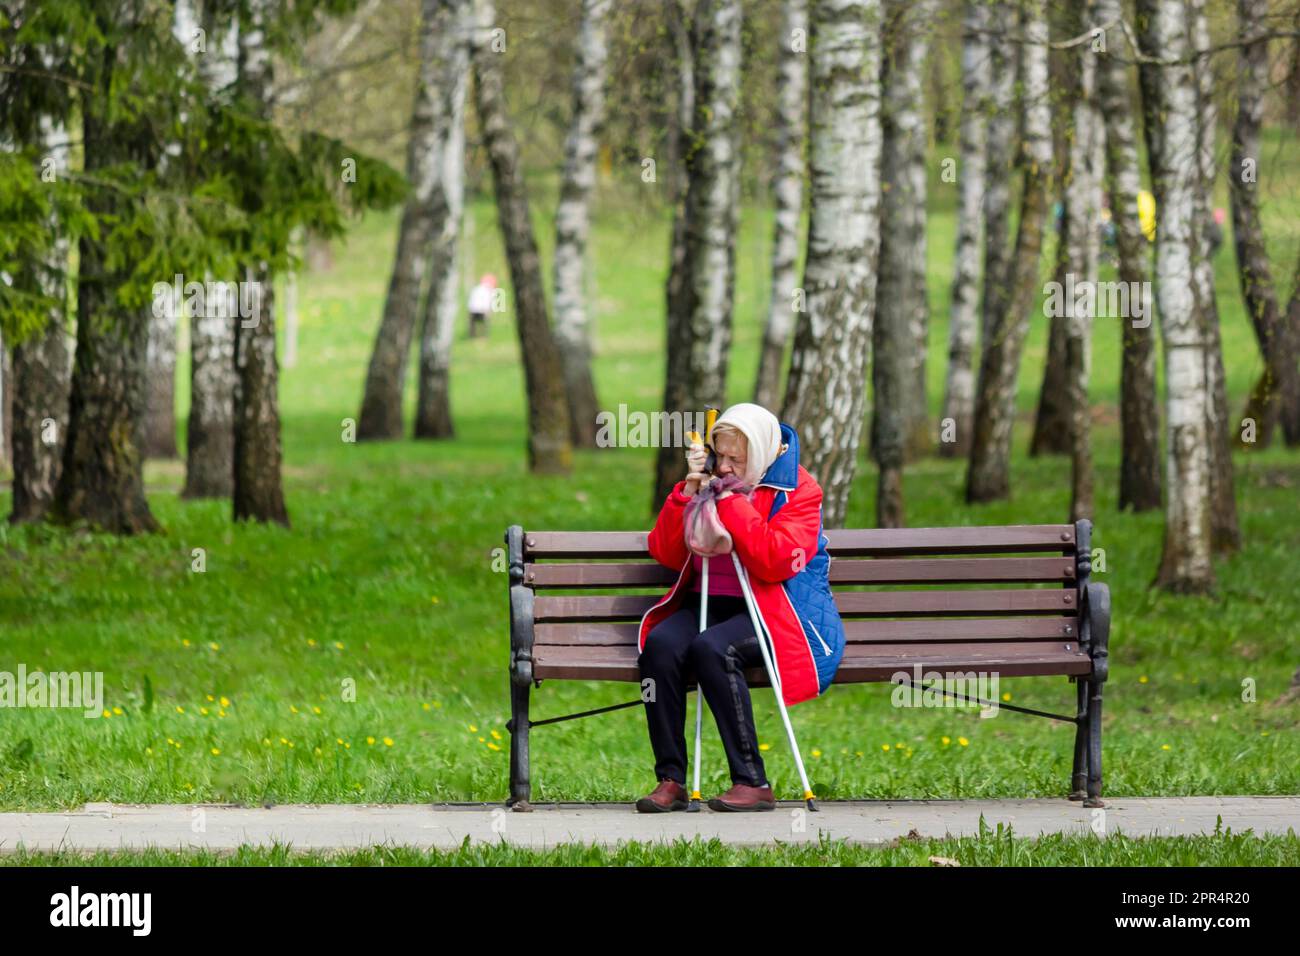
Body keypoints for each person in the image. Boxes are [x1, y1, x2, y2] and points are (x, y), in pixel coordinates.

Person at [635, 402, 845, 813]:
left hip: (776, 608)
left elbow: (775, 559)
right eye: (721, 457)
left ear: (763, 454)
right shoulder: (709, 484)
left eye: (737, 459)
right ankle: (671, 779)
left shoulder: (799, 492)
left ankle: (752, 781)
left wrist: (729, 501)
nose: (726, 467)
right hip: (707, 602)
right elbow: (665, 552)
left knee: (714, 648)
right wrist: (690, 491)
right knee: (660, 646)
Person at [467, 273, 496, 338]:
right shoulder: (490, 290)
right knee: (485, 322)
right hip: (482, 310)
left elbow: (471, 301)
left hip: (472, 310)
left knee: (472, 322)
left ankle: (472, 335)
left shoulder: (476, 288)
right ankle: (484, 335)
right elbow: (490, 302)